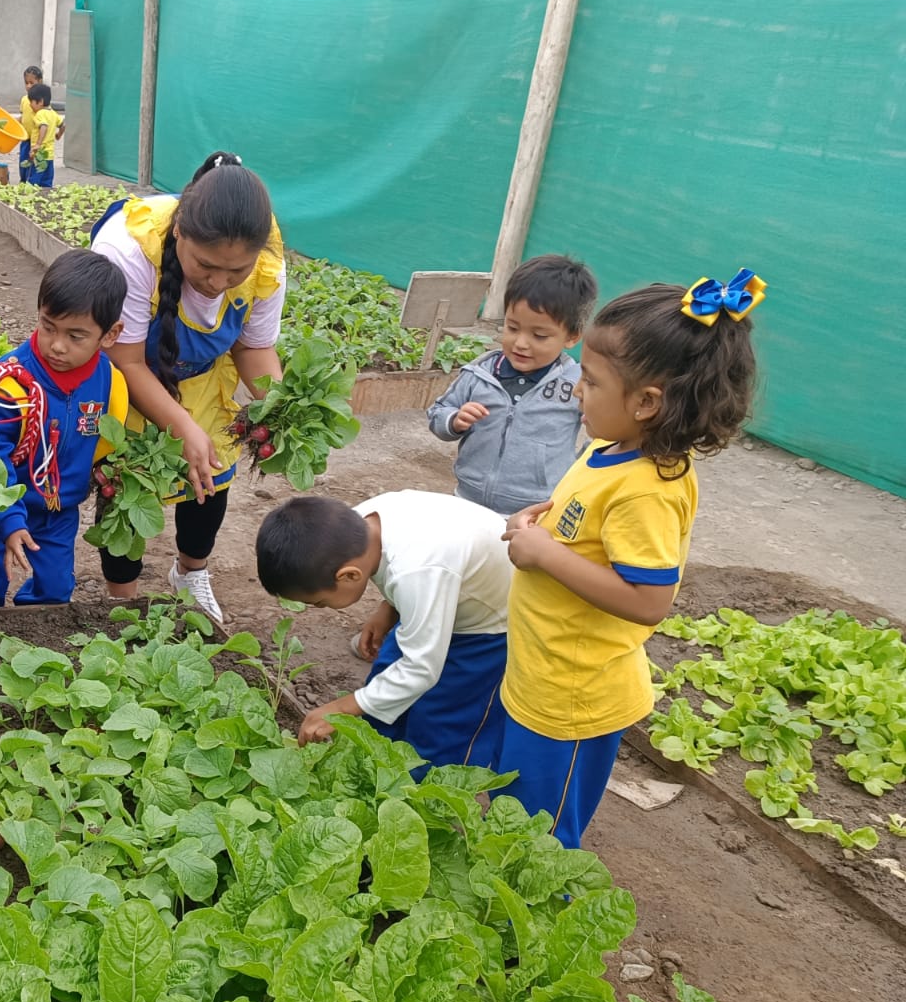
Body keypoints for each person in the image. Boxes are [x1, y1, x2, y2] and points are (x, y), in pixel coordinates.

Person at [497, 270, 763, 848]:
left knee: (538, 840)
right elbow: (580, 525)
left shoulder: (649, 488)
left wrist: (544, 554)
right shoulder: (610, 448)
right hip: (542, 675)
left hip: (572, 696)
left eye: (590, 383)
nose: (575, 391)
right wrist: (539, 525)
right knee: (511, 813)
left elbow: (648, 600)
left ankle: (531, 931)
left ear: (646, 402)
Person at [89, 150, 287, 621]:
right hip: (124, 376)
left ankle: (191, 573)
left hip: (198, 374)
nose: (220, 282)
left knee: (210, 476)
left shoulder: (266, 263)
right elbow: (126, 358)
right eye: (205, 266)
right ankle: (124, 600)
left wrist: (280, 408)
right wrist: (179, 424)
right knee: (126, 487)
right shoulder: (129, 248)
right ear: (180, 232)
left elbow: (252, 349)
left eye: (235, 271)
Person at [256, 492, 513, 770]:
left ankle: (426, 796)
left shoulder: (417, 571)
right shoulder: (357, 525)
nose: (318, 608)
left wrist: (340, 708)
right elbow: (420, 576)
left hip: (490, 626)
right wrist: (389, 606)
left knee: (445, 720)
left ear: (349, 576)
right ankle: (377, 770)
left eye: (319, 602)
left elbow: (421, 668)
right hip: (447, 591)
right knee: (383, 683)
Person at [0, 250, 128, 608]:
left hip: (58, 512)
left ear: (109, 335)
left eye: (76, 336)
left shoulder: (110, 381)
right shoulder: (7, 382)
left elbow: (109, 441)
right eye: (48, 326)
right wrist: (10, 520)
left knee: (54, 590)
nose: (57, 345)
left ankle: (32, 651)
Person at [427, 255, 595, 515]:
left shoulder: (577, 384)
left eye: (539, 335)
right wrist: (454, 420)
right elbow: (438, 411)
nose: (520, 343)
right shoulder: (480, 373)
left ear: (572, 336)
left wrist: (580, 469)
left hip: (535, 512)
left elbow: (605, 429)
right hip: (466, 502)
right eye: (512, 327)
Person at [22, 83, 60, 189]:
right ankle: (45, 198)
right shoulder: (53, 113)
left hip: (39, 155)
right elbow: (63, 125)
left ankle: (29, 199)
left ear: (41, 102)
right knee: (47, 181)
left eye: (32, 102)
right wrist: (58, 134)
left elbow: (44, 126)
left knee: (33, 180)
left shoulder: (40, 114)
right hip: (50, 155)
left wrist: (38, 144)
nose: (30, 105)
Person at [17, 65, 42, 185]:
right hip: (26, 138)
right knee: (23, 160)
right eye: (26, 83)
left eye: (32, 83)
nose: (28, 86)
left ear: (40, 82)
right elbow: (23, 116)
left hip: (36, 140)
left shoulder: (41, 102)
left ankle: (33, 183)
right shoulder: (24, 100)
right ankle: (22, 180)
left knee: (35, 162)